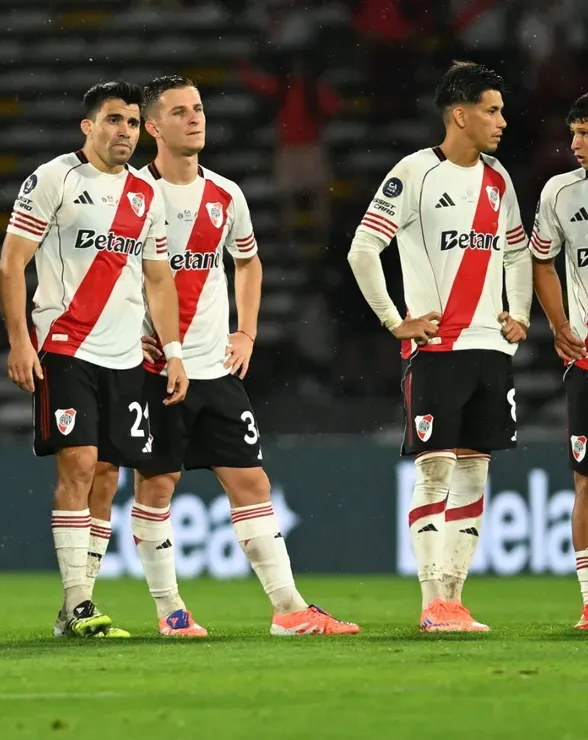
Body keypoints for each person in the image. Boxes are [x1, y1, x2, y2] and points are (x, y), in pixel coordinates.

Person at [106, 75, 358, 637]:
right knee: (156, 486)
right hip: (153, 371)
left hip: (215, 370)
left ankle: (290, 609)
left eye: (198, 108)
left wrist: (246, 333)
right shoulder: (130, 195)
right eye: (179, 111)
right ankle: (171, 613)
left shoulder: (226, 194)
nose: (195, 118)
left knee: (252, 483)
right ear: (152, 127)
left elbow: (248, 262)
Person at [0, 81, 187, 638]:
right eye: (113, 120)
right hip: (66, 347)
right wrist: (18, 341)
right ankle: (79, 602)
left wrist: (172, 351)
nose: (124, 131)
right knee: (78, 465)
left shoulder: (145, 195)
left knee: (107, 476)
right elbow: (12, 265)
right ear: (89, 126)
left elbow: (158, 278)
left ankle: (75, 607)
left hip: (126, 356)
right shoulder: (54, 178)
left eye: (132, 122)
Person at [347, 61, 531, 632]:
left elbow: (518, 254)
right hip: (438, 350)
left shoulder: (499, 180)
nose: (502, 120)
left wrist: (519, 315)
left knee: (475, 472)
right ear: (460, 114)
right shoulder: (413, 174)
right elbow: (361, 250)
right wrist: (394, 321)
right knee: (434, 472)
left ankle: (454, 599)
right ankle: (431, 603)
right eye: (492, 110)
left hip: (490, 351)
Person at [528, 92, 588, 631]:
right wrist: (558, 322)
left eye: (586, 132)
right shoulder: (559, 193)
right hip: (587, 362)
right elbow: (541, 261)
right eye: (573, 132)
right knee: (587, 482)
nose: (575, 144)